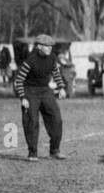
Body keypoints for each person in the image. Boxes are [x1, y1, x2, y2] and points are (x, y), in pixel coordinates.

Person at [13, 34, 67, 162]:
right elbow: (19, 80)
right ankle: (33, 152)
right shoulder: (30, 61)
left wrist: (61, 87)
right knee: (32, 121)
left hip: (45, 90)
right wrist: (23, 98)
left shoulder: (52, 58)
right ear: (39, 47)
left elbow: (55, 72)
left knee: (56, 119)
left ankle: (55, 151)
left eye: (51, 46)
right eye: (47, 46)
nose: (50, 48)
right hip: (30, 91)